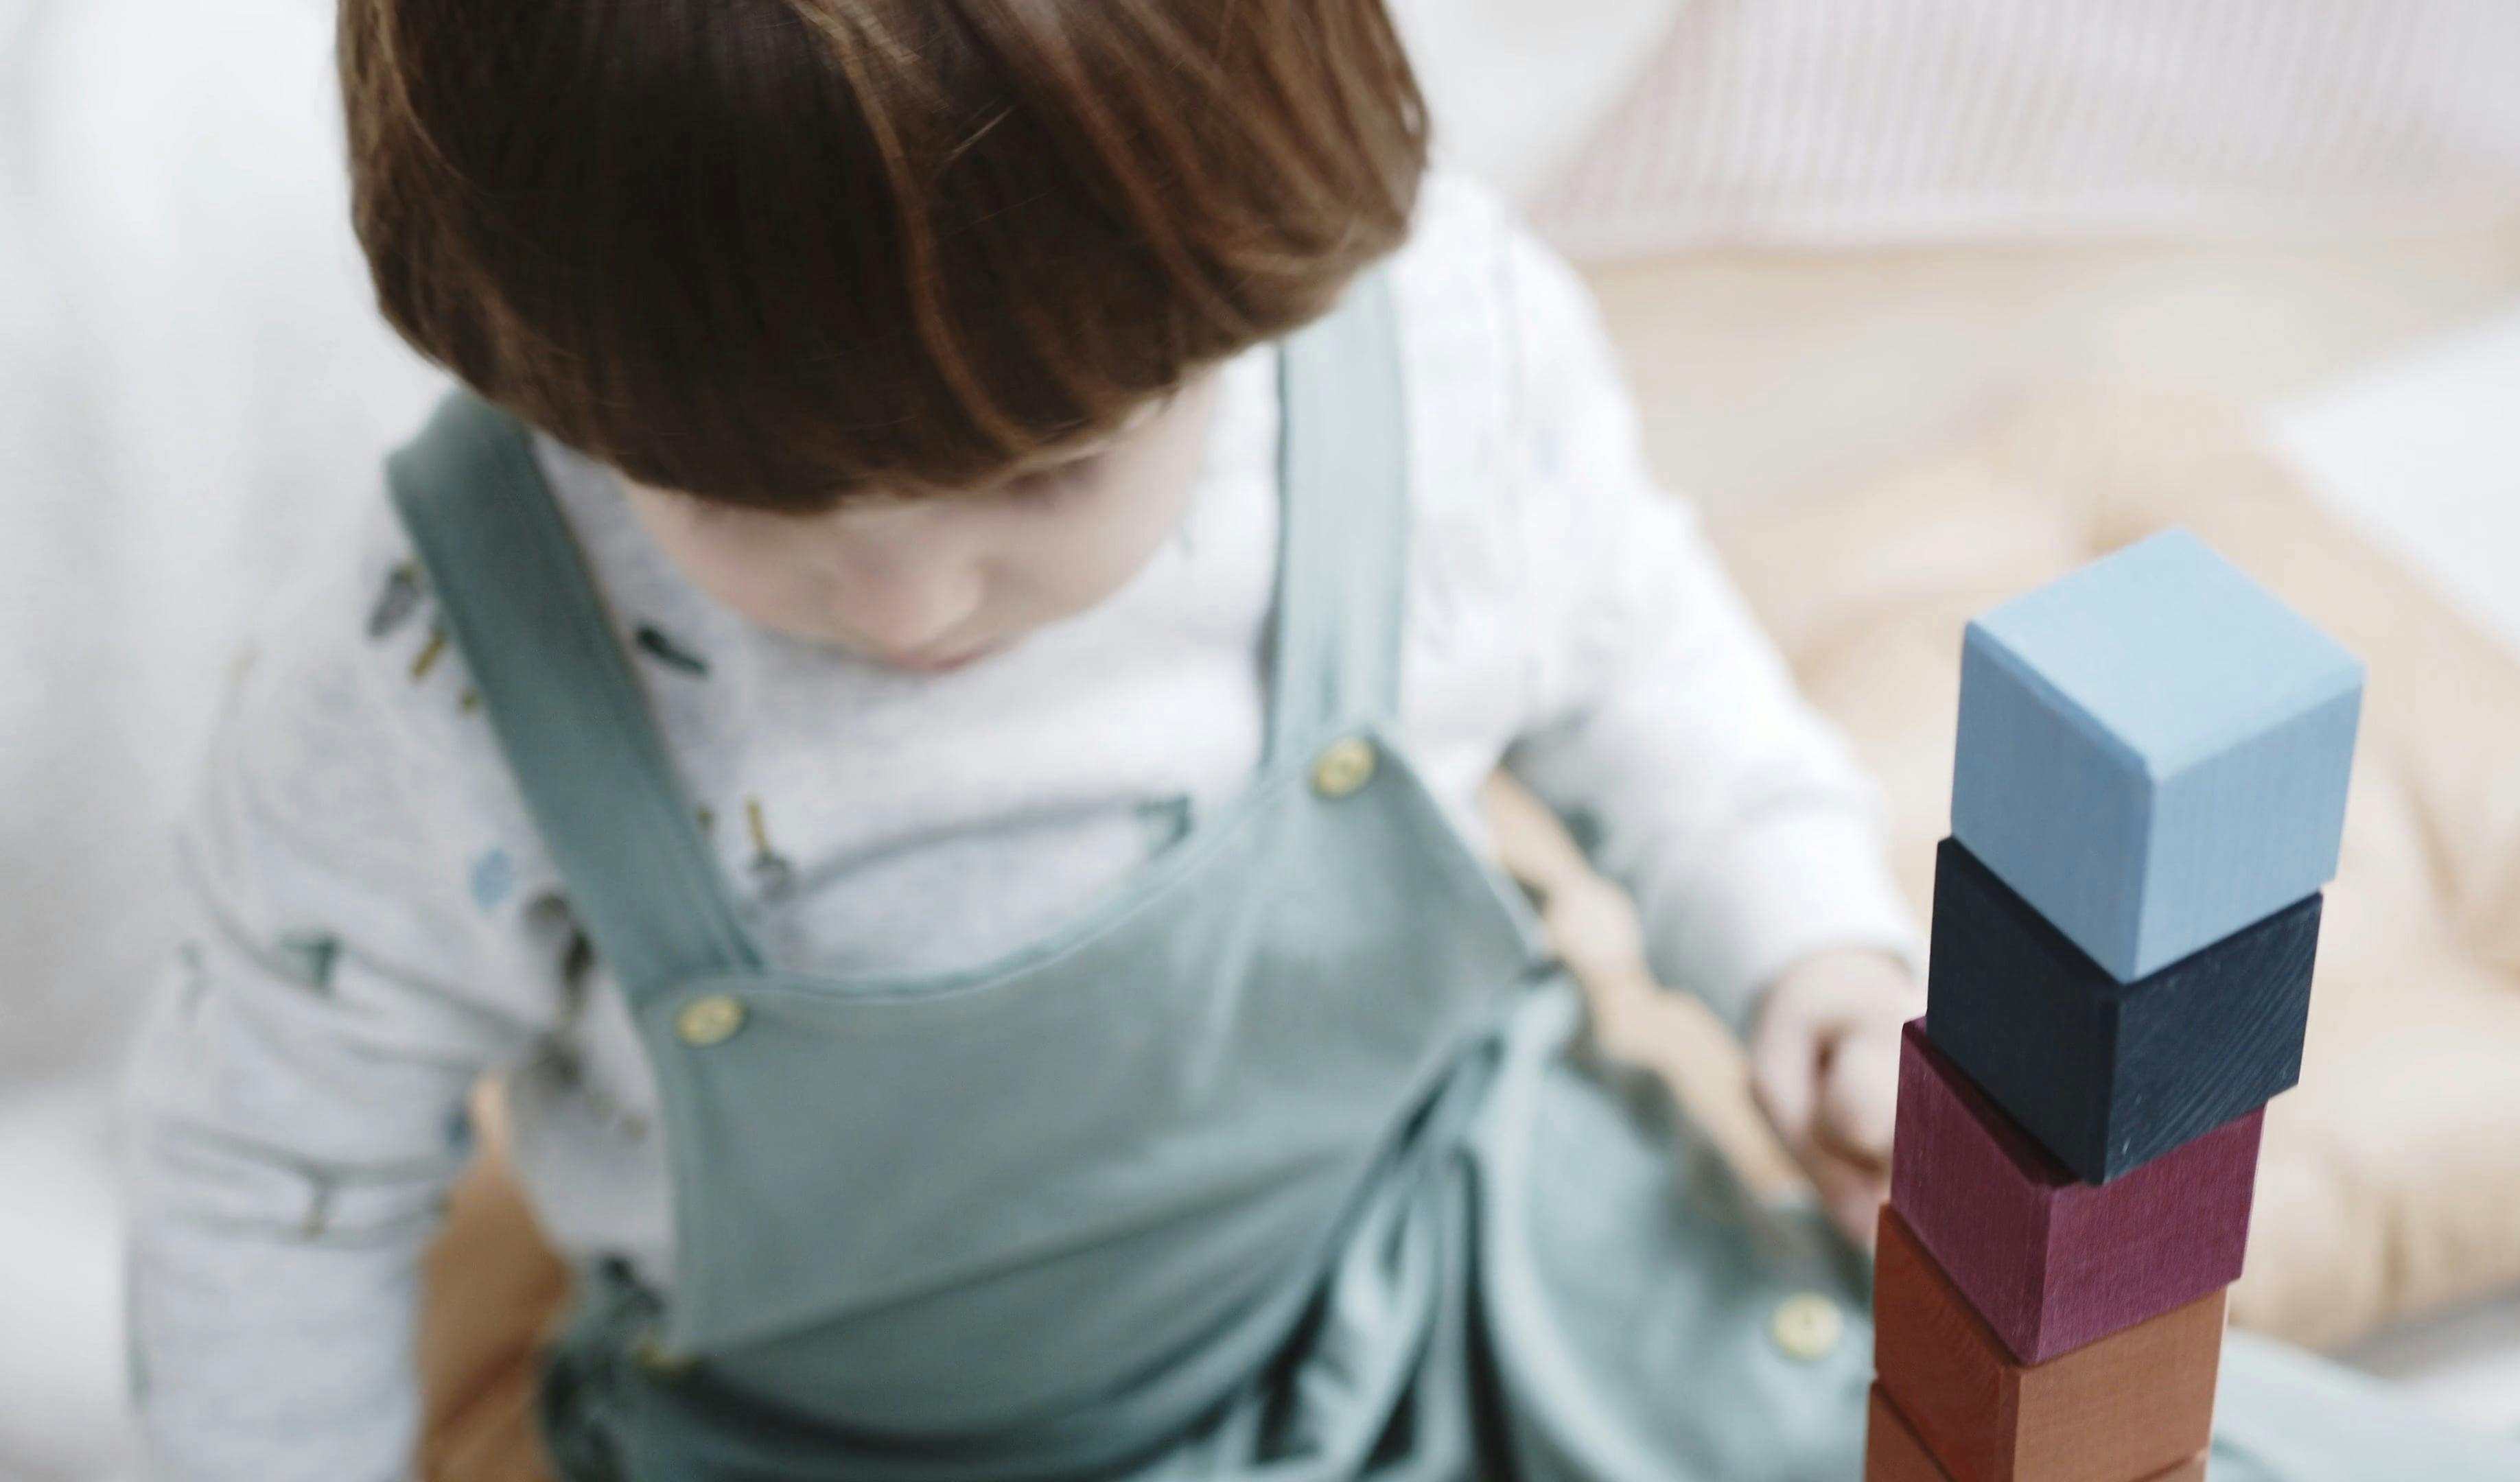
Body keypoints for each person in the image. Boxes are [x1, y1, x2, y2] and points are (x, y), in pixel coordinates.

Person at [118, 1, 1928, 1477]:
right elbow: (270, 1177)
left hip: (1454, 1233)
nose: (908, 606)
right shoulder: (434, 660)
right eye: (735, 500)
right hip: (840, 1443)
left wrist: (1801, 943)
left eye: (1046, 472)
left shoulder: (1420, 361)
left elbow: (1626, 644)